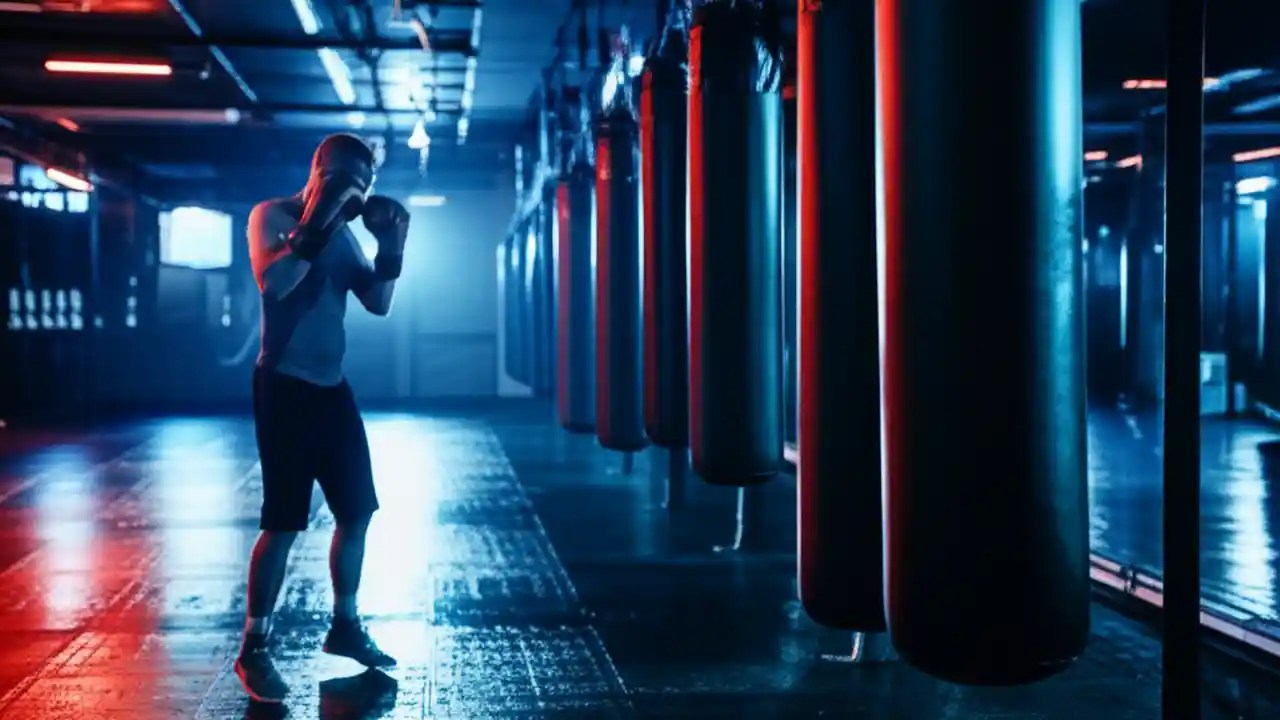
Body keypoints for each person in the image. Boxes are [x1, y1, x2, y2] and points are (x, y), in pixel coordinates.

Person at [236, 133, 410, 703]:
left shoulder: (343, 237)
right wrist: (324, 216)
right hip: (283, 387)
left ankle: (345, 625)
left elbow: (377, 303)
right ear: (320, 171)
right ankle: (254, 649)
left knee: (357, 512)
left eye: (361, 187)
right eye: (344, 181)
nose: (353, 194)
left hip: (333, 390)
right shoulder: (270, 215)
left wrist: (391, 246)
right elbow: (275, 282)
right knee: (284, 522)